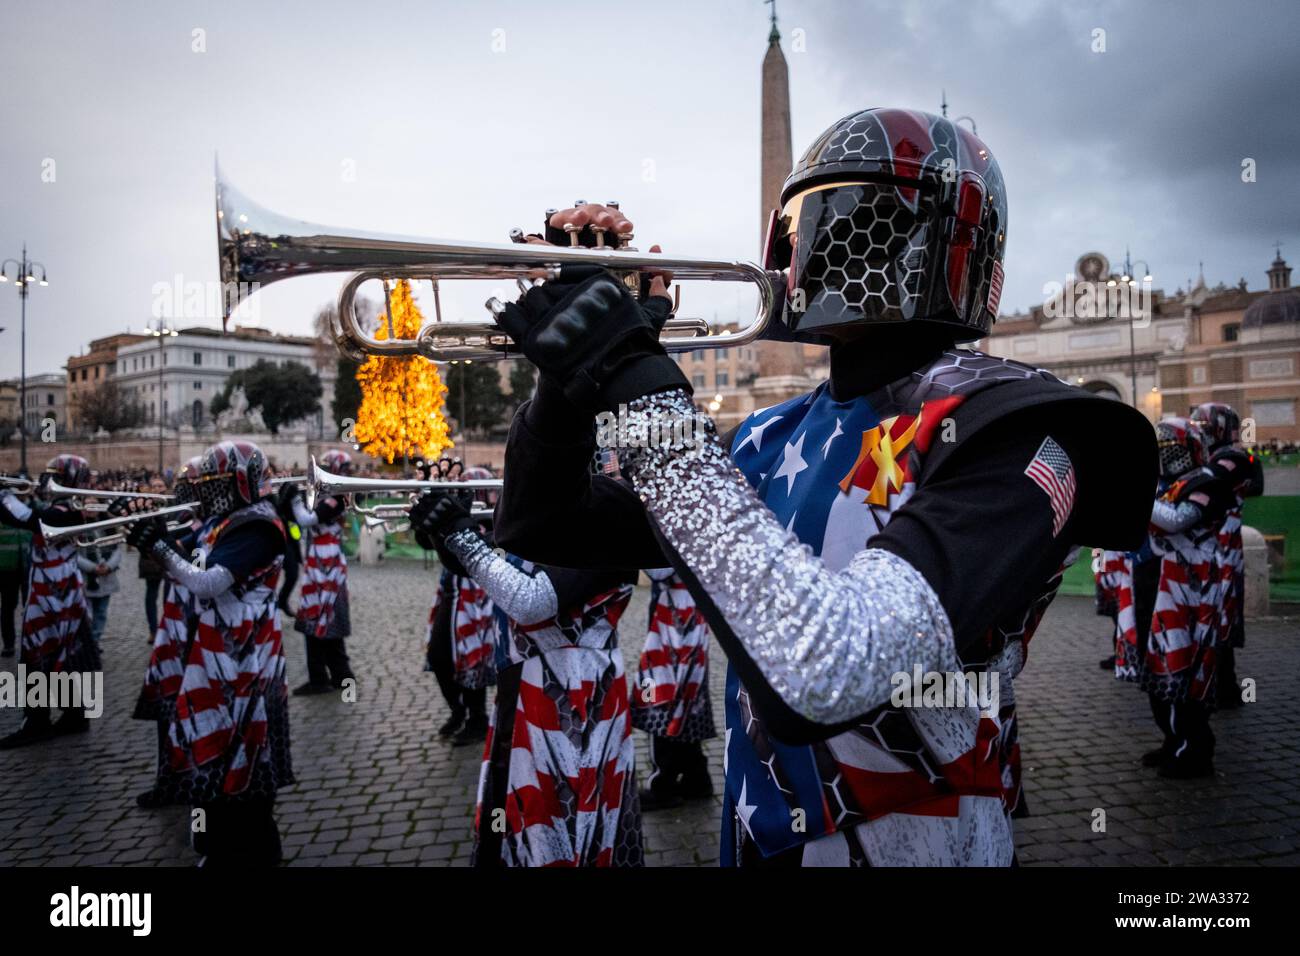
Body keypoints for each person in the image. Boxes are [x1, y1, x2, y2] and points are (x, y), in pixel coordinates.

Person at [489, 107, 1156, 866]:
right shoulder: (773, 433)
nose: (820, 241)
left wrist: (634, 380)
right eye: (810, 216)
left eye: (853, 214)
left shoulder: (1026, 427)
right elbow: (549, 523)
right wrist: (567, 376)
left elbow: (827, 670)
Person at [409, 490, 644, 867]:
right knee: (516, 821)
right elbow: (500, 575)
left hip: (578, 696)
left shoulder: (605, 517)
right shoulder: (549, 515)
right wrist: (443, 533)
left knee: (567, 825)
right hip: (527, 689)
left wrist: (461, 535)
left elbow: (530, 600)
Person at [125, 439, 292, 865]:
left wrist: (161, 549)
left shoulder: (257, 526)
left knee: (249, 780)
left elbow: (207, 582)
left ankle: (252, 857)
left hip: (249, 662)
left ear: (239, 483)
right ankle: (218, 850)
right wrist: (152, 536)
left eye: (217, 484)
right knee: (212, 767)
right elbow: (190, 555)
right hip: (216, 658)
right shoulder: (222, 521)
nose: (209, 492)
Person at [1114, 418, 1234, 778]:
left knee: (1187, 668)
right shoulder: (1165, 485)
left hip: (1192, 594)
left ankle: (1195, 748)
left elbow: (1178, 520)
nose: (1169, 458)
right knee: (1158, 666)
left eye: (1174, 450)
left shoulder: (1209, 483)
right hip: (1156, 586)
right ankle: (1172, 740)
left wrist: (1137, 495)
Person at [0, 455, 100, 748]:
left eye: (54, 476)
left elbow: (27, 519)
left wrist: (3, 494)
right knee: (60, 654)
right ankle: (73, 714)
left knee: (36, 654)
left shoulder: (64, 512)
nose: (47, 481)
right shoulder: (63, 508)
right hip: (57, 591)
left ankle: (37, 721)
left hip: (55, 595)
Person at [132, 458, 204, 809]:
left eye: (191, 481)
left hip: (197, 627)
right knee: (167, 705)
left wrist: (159, 539)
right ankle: (171, 777)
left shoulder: (219, 525)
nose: (184, 487)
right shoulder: (187, 519)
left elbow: (196, 564)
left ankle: (187, 777)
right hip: (175, 622)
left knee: (189, 706)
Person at [1189, 402, 1263, 709]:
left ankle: (1226, 686)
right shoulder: (1221, 458)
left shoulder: (1232, 458)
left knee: (1221, 614)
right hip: (1212, 548)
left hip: (1222, 550)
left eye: (1204, 431)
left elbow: (1208, 481)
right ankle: (1218, 682)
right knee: (1212, 615)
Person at [423, 467, 497, 747]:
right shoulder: (458, 510)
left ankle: (477, 719)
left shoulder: (494, 520)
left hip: (475, 599)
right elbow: (432, 545)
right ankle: (458, 710)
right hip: (450, 593)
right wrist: (432, 522)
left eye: (471, 489)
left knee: (471, 659)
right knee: (439, 658)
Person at [633, 567, 717, 810]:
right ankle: (697, 777)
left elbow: (660, 569)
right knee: (687, 700)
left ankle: (663, 785)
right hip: (687, 614)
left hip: (676, 619)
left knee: (662, 699)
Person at [285, 449, 355, 695]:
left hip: (327, 565)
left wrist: (294, 500)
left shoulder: (335, 499)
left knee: (323, 617)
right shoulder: (329, 497)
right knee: (317, 619)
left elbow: (307, 520)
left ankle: (333, 676)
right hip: (320, 562)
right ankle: (332, 676)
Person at [138, 475, 173, 643]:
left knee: (169, 596)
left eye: (160, 486)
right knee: (151, 596)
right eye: (154, 487)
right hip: (150, 558)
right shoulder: (144, 508)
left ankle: (168, 628)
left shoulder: (172, 506)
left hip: (170, 557)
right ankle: (153, 630)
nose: (158, 489)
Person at [77, 528, 122, 646]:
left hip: (106, 577)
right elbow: (75, 555)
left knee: (101, 612)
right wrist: (92, 567)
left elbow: (116, 550)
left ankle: (95, 640)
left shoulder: (107, 527)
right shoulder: (78, 529)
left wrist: (109, 566)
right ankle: (86, 641)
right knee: (86, 613)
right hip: (86, 579)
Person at [0, 517, 29, 658]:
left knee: (30, 607)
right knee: (7, 606)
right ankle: (9, 644)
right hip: (5, 567)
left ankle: (31, 642)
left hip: (29, 565)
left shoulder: (34, 506)